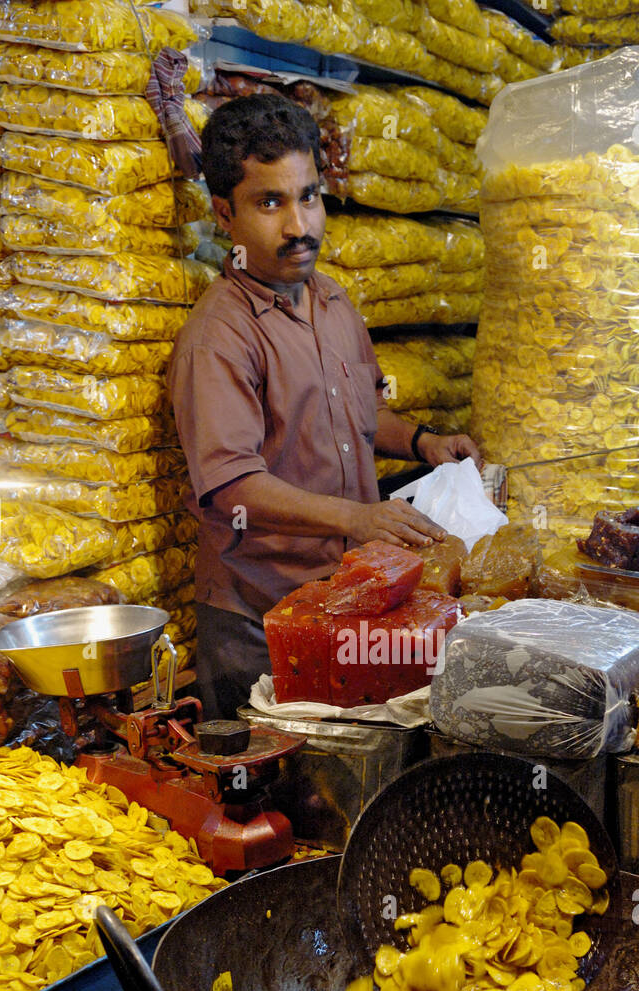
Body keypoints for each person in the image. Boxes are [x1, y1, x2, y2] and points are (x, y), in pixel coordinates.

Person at [168, 92, 483, 720]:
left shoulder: (334, 302)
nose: (299, 225)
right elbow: (229, 485)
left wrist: (423, 443)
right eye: (270, 203)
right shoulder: (220, 335)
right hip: (259, 616)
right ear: (224, 214)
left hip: (346, 598)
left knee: (344, 780)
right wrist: (357, 517)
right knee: (273, 786)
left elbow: (357, 417)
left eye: (308, 196)